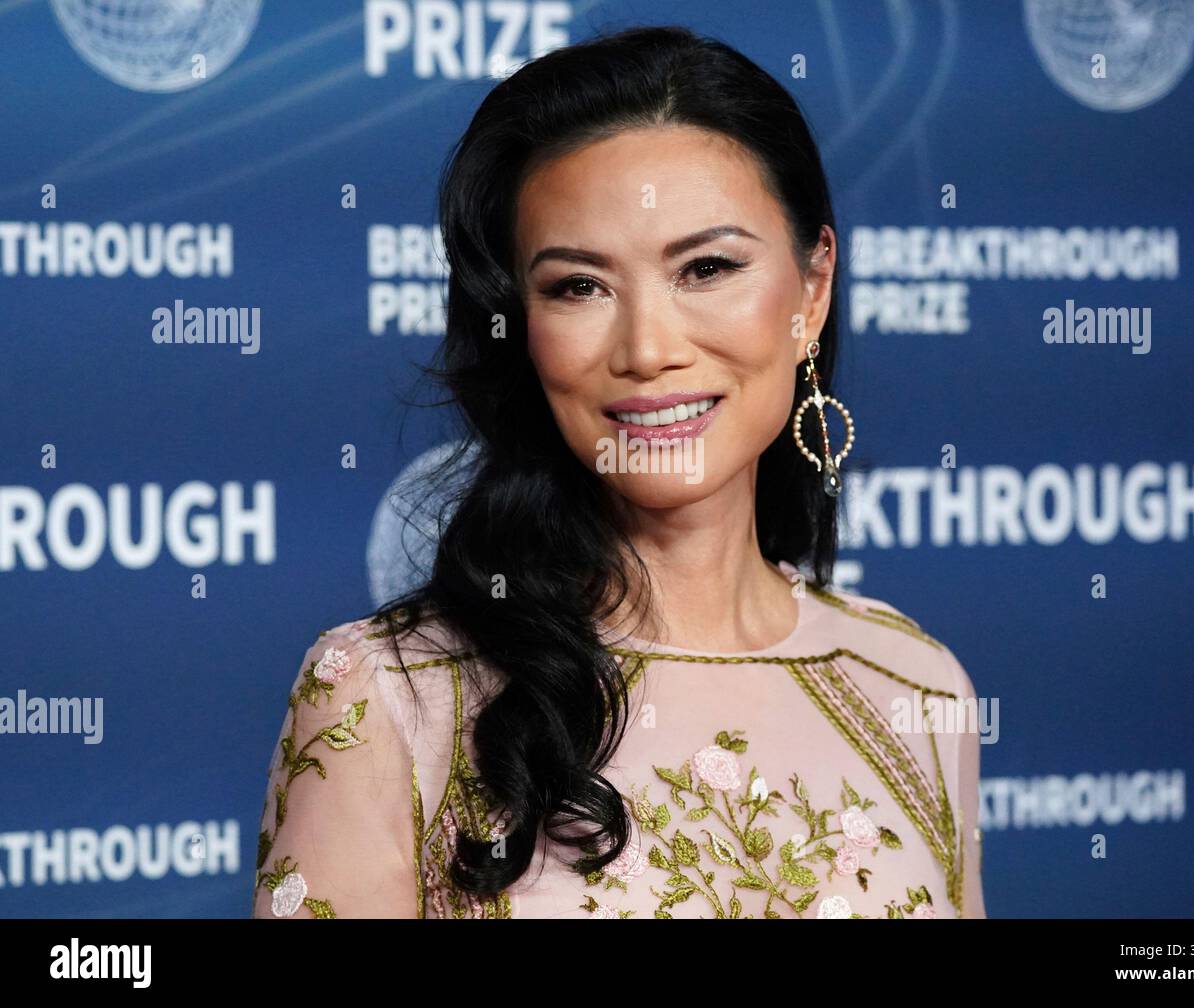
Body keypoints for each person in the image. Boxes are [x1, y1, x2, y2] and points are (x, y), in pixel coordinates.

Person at [251, 24, 985, 920]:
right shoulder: (381, 696)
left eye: (707, 267)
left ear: (813, 290)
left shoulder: (916, 684)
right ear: (518, 326)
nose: (647, 349)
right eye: (577, 287)